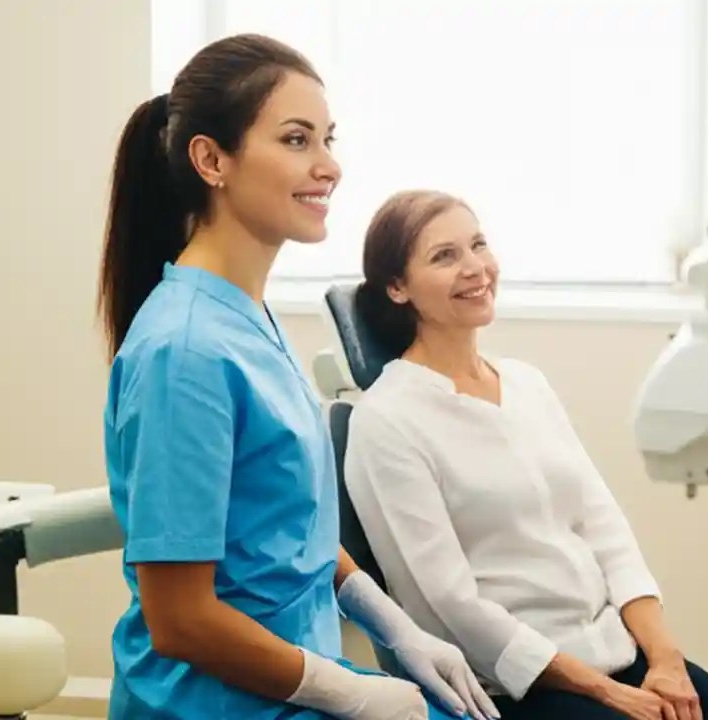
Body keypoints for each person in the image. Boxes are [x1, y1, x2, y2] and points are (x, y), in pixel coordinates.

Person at [96, 36, 499, 720]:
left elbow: (287, 526)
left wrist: (390, 623)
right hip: (217, 702)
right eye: (296, 140)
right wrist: (352, 692)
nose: (329, 166)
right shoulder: (185, 351)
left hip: (291, 677)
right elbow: (180, 621)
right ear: (211, 159)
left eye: (328, 139)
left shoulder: (249, 315)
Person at [341, 190, 708, 720]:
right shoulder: (388, 420)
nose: (475, 268)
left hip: (618, 654)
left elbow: (605, 530)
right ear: (397, 287)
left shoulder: (526, 383)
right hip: (515, 688)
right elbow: (452, 606)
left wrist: (666, 658)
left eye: (478, 244)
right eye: (444, 256)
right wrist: (607, 694)